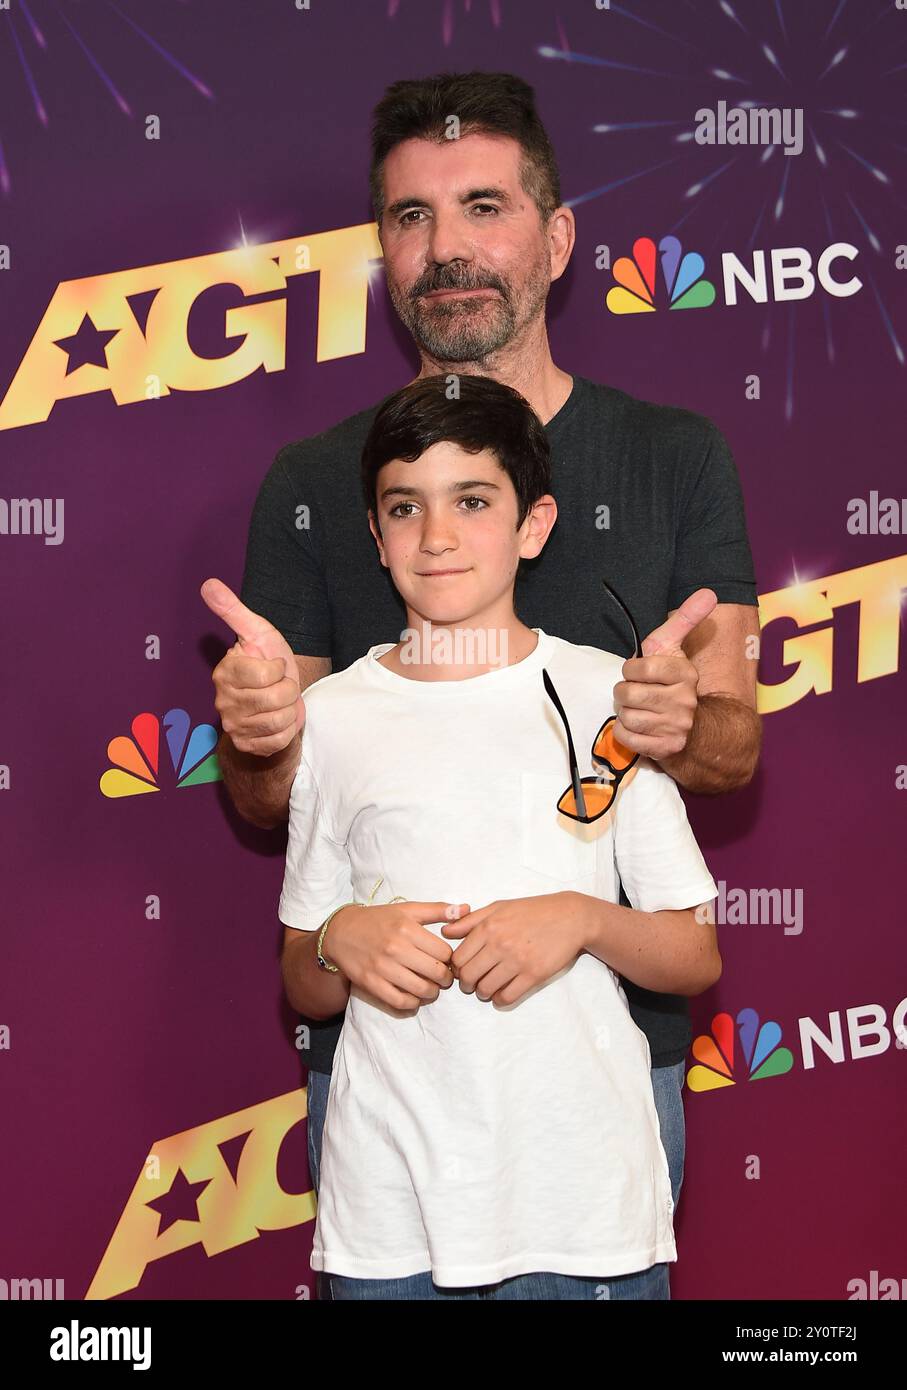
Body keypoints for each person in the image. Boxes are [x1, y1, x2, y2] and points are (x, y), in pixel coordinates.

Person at [201, 70, 760, 1295]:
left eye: (483, 206)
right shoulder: (312, 481)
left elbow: (731, 753)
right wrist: (257, 737)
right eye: (411, 217)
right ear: (382, 253)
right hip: (391, 1080)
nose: (446, 247)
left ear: (556, 240)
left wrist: (675, 724)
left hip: (600, 1076)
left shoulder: (676, 457)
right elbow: (276, 801)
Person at [276, 372, 721, 1300]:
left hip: (586, 1207)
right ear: (373, 532)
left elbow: (691, 954)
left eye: (471, 501)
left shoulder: (610, 696)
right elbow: (304, 982)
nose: (436, 536)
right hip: (387, 1214)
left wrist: (581, 919)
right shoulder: (331, 716)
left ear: (533, 524)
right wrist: (337, 939)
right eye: (405, 507)